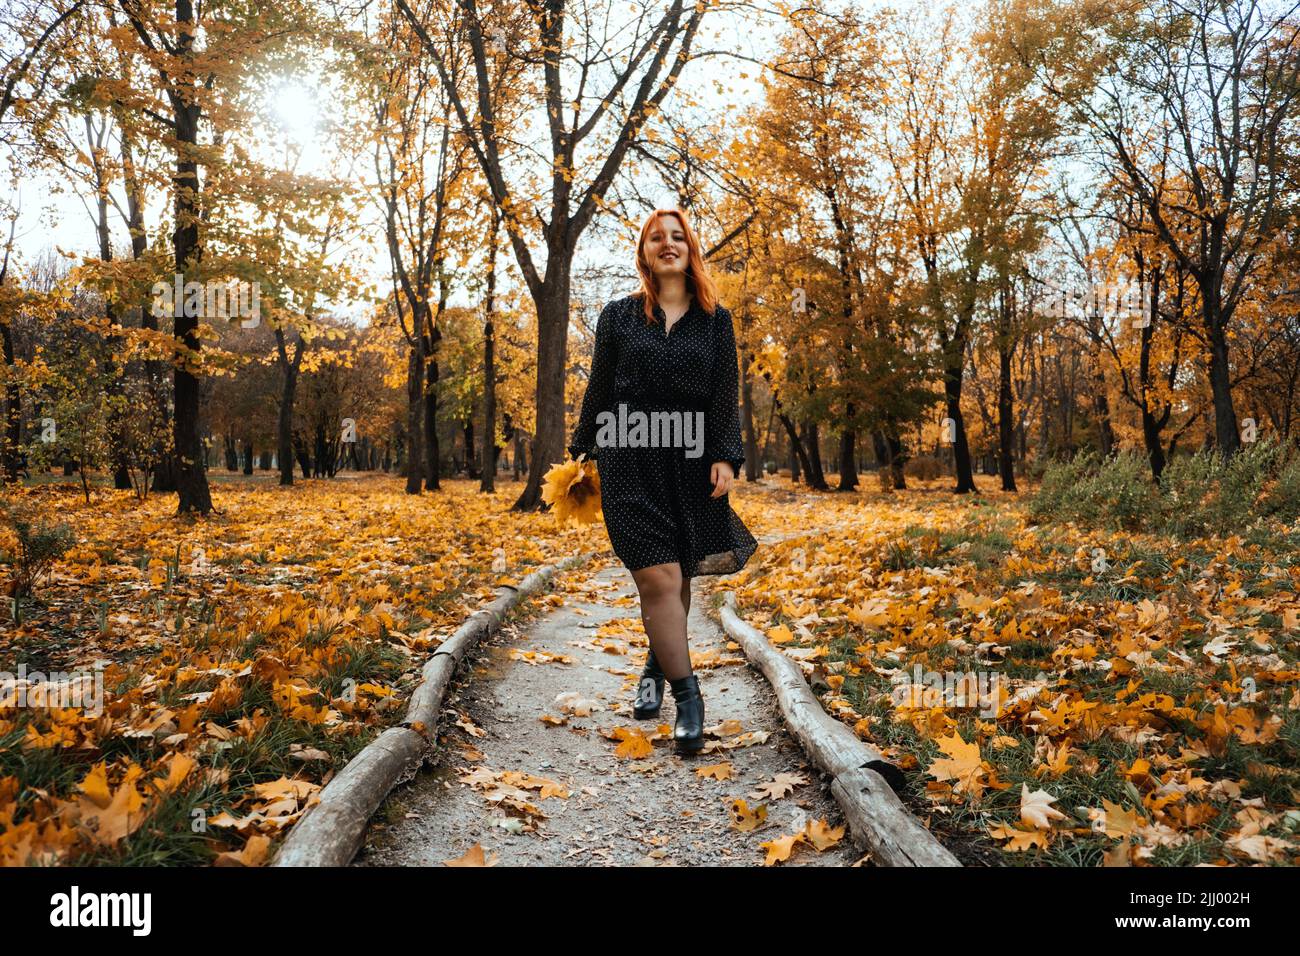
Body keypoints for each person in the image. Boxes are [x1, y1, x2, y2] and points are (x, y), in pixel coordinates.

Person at [567, 207, 758, 754]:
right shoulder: (618, 316)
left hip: (692, 460)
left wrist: (726, 455)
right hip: (627, 455)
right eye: (657, 238)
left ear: (690, 249)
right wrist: (580, 452)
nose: (668, 244)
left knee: (680, 576)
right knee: (657, 579)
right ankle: (688, 696)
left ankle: (655, 664)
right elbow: (599, 390)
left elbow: (725, 393)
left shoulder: (715, 320)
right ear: (645, 252)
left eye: (677, 237)